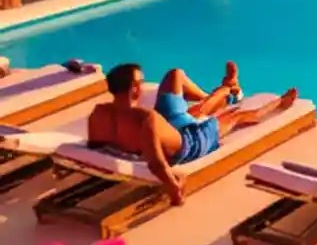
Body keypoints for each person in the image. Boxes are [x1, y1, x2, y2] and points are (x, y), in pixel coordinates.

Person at [87, 62, 297, 206]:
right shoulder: (145, 119)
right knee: (235, 117)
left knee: (175, 78)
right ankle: (275, 101)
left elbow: (96, 147)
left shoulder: (99, 114)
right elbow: (156, 163)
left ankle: (227, 91)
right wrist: (175, 191)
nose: (142, 86)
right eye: (140, 82)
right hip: (188, 143)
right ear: (134, 89)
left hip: (167, 127)